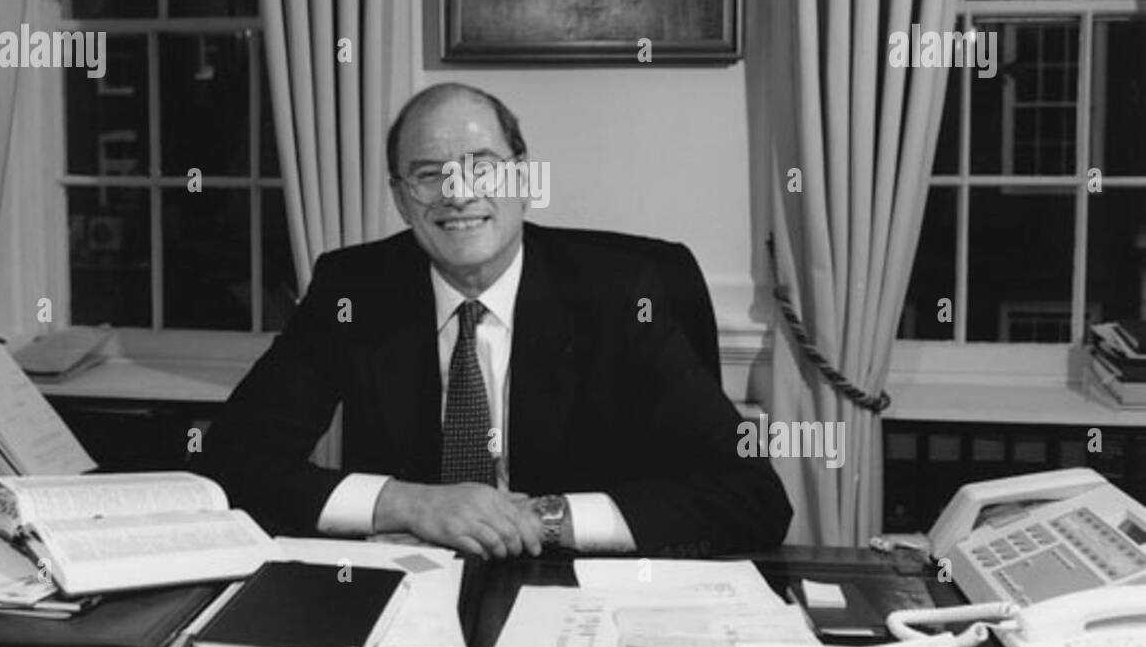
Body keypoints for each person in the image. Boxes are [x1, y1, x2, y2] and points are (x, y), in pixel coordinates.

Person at [194, 83, 791, 557]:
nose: (458, 194)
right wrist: (408, 504)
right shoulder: (353, 291)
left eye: (482, 166)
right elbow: (232, 463)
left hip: (578, 587)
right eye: (429, 174)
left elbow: (751, 495)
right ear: (401, 198)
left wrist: (543, 519)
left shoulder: (619, 293)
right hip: (413, 587)